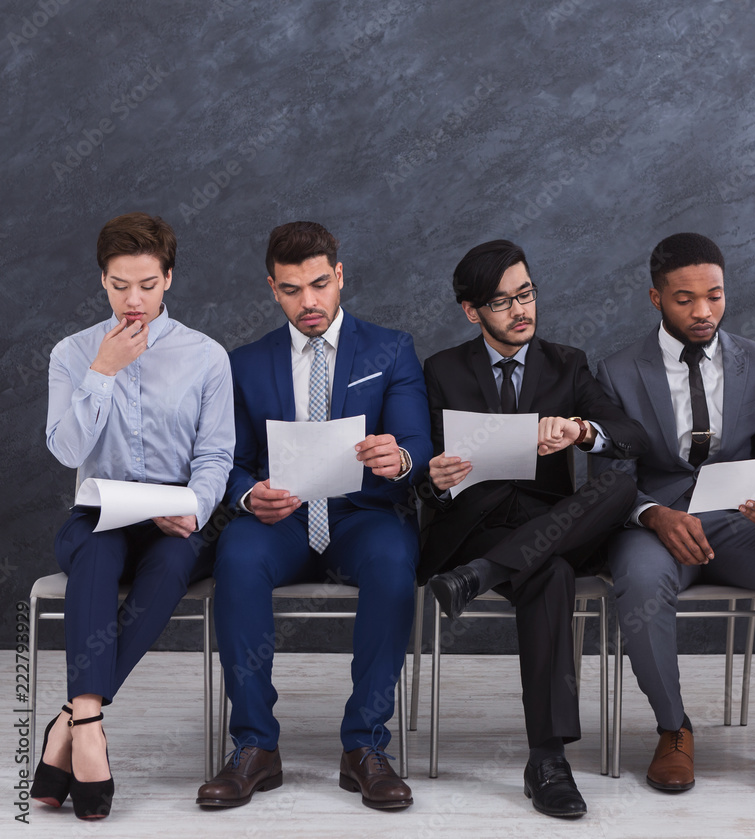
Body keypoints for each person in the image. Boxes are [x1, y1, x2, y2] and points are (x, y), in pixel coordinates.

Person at [197, 221, 431, 812]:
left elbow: (418, 445)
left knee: (393, 561)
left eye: (320, 284)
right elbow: (227, 463)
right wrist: (249, 495)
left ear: (340, 276)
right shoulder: (244, 364)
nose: (309, 301)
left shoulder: (391, 349)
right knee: (236, 557)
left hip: (363, 515)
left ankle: (366, 745)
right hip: (281, 519)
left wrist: (399, 458)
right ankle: (255, 746)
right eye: (292, 289)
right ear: (272, 289)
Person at [596, 232, 755, 804]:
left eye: (715, 296)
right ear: (656, 298)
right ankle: (673, 730)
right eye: (685, 299)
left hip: (740, 523)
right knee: (641, 578)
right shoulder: (617, 372)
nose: (703, 311)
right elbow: (608, 482)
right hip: (656, 527)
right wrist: (653, 515)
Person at [420, 239, 648, 819]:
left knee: (619, 484)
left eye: (525, 294)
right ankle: (547, 761)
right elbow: (420, 477)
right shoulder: (443, 369)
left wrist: (580, 431)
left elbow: (630, 436)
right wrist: (435, 479)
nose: (520, 310)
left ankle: (480, 578)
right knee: (550, 573)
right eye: (501, 302)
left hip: (554, 521)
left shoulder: (568, 363)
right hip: (478, 525)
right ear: (472, 312)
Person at [32, 212, 235, 820]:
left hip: (173, 518)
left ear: (168, 278)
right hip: (98, 513)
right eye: (120, 285)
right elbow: (66, 450)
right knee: (96, 551)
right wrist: (103, 371)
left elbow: (215, 455)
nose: (133, 300)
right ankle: (88, 727)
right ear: (103, 280)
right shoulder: (72, 353)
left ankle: (74, 719)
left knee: (172, 563)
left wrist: (192, 507)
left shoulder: (206, 356)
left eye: (147, 284)